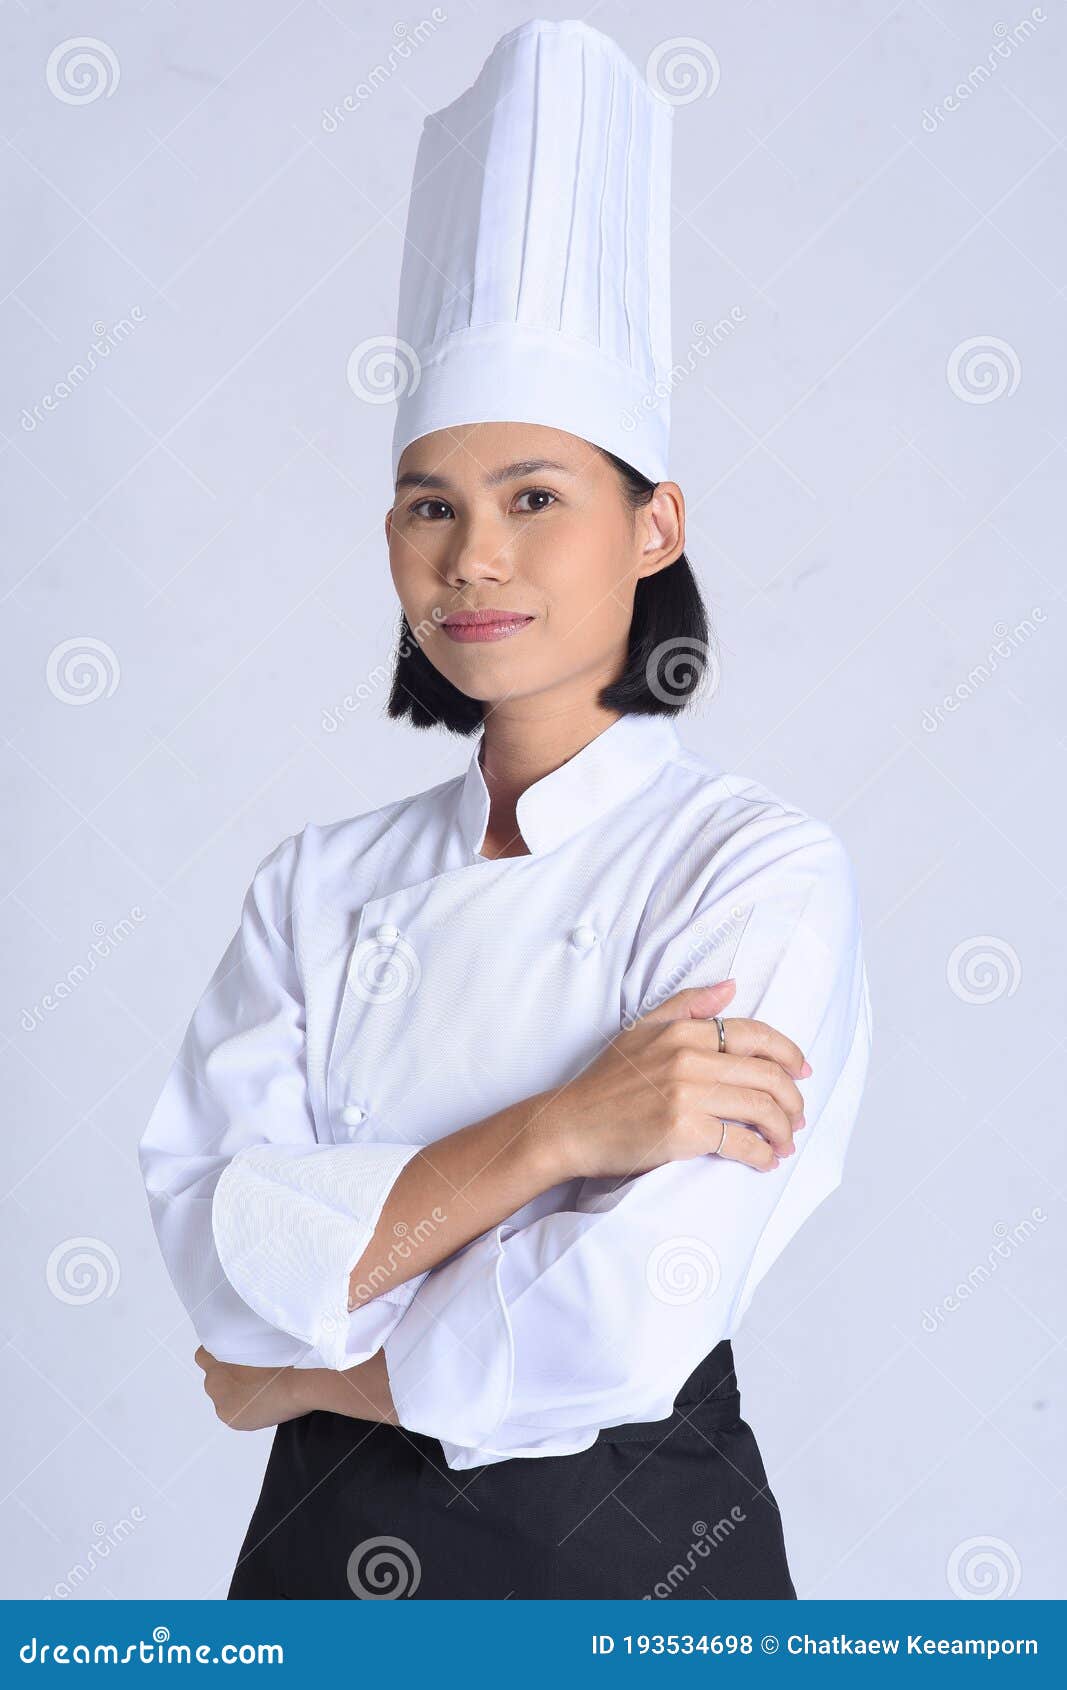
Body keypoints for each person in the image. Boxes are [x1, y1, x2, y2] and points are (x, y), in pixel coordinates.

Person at [138, 19, 872, 1601]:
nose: (473, 558)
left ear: (654, 522)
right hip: (325, 1564)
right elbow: (217, 1258)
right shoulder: (315, 885)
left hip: (636, 1562)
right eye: (432, 506)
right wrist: (561, 1129)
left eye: (536, 496)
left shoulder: (756, 873)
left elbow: (623, 1320)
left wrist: (311, 1364)